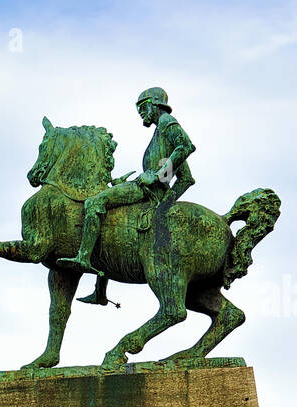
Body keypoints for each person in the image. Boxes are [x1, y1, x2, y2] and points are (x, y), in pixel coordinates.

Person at [59, 86, 197, 282]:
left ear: (155, 104)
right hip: (148, 187)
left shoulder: (167, 122)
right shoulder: (162, 132)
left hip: (146, 188)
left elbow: (186, 146)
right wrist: (167, 200)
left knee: (93, 203)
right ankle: (100, 290)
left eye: (142, 106)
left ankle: (83, 257)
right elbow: (186, 178)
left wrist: (157, 177)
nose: (140, 112)